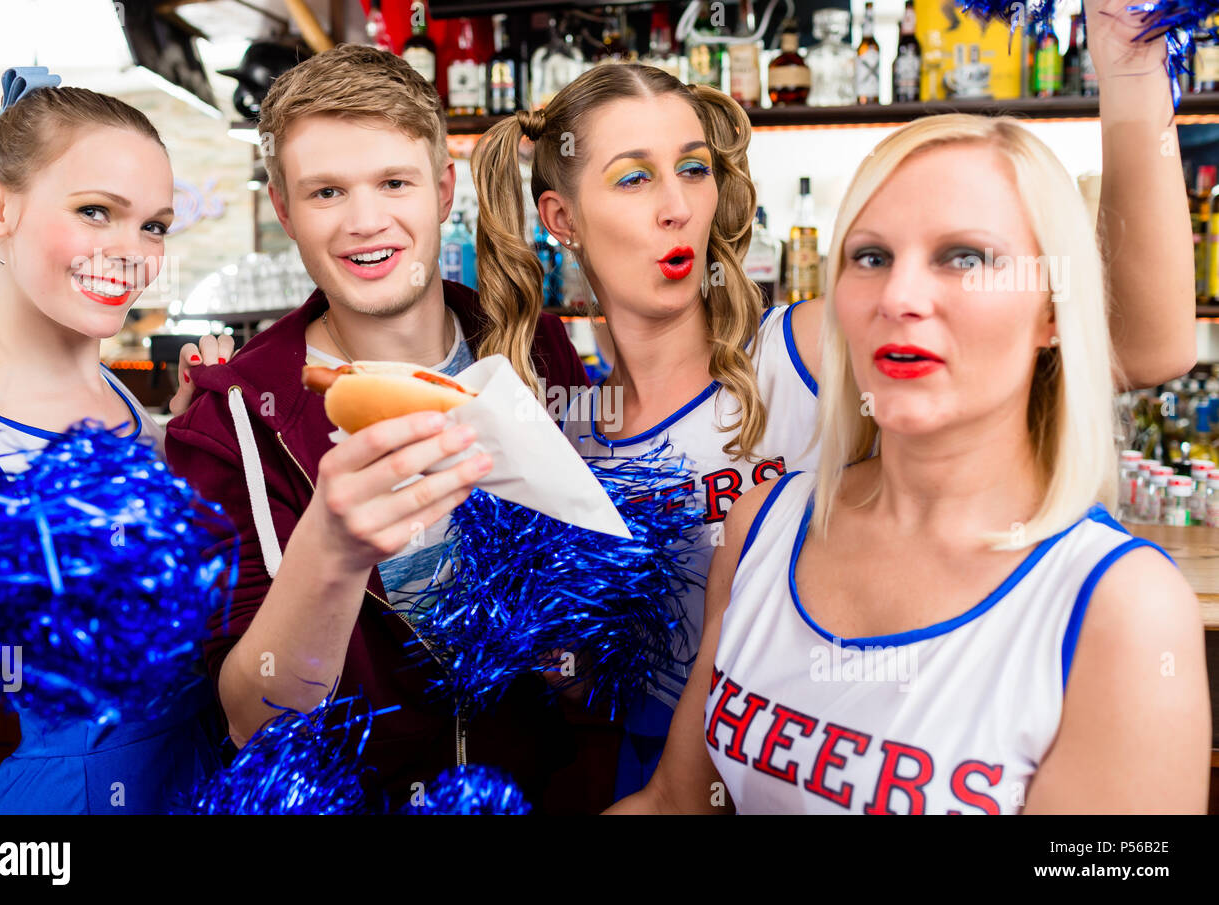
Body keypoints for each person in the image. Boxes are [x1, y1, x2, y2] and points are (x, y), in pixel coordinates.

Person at [471, 0, 1198, 797]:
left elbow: (1147, 345)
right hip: (676, 762)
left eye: (693, 168)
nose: (675, 205)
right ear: (561, 219)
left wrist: (1130, 75)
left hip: (877, 753)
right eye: (634, 177)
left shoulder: (809, 346)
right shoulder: (571, 432)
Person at [609, 113, 1211, 814]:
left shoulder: (1121, 606)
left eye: (964, 257)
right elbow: (677, 804)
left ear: (1053, 310)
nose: (899, 298)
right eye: (870, 257)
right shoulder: (763, 525)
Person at [163, 44, 616, 812]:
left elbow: (593, 629)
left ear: (443, 191)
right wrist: (330, 551)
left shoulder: (534, 351)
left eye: (394, 182)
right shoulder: (229, 421)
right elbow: (251, 716)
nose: (364, 222)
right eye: (327, 191)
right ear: (283, 209)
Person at [0, 69, 226, 814]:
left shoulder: (111, 392)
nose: (132, 254)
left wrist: (183, 434)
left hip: (197, 775)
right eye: (97, 211)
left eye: (153, 224)